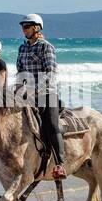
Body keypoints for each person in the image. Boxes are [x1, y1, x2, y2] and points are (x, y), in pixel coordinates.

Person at [15, 14, 66, 179]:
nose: (24, 29)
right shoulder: (22, 48)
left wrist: (36, 91)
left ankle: (60, 164)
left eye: (27, 26)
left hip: (46, 93)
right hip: (27, 95)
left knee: (51, 126)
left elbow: (50, 73)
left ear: (36, 28)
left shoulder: (46, 47)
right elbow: (20, 72)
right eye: (23, 27)